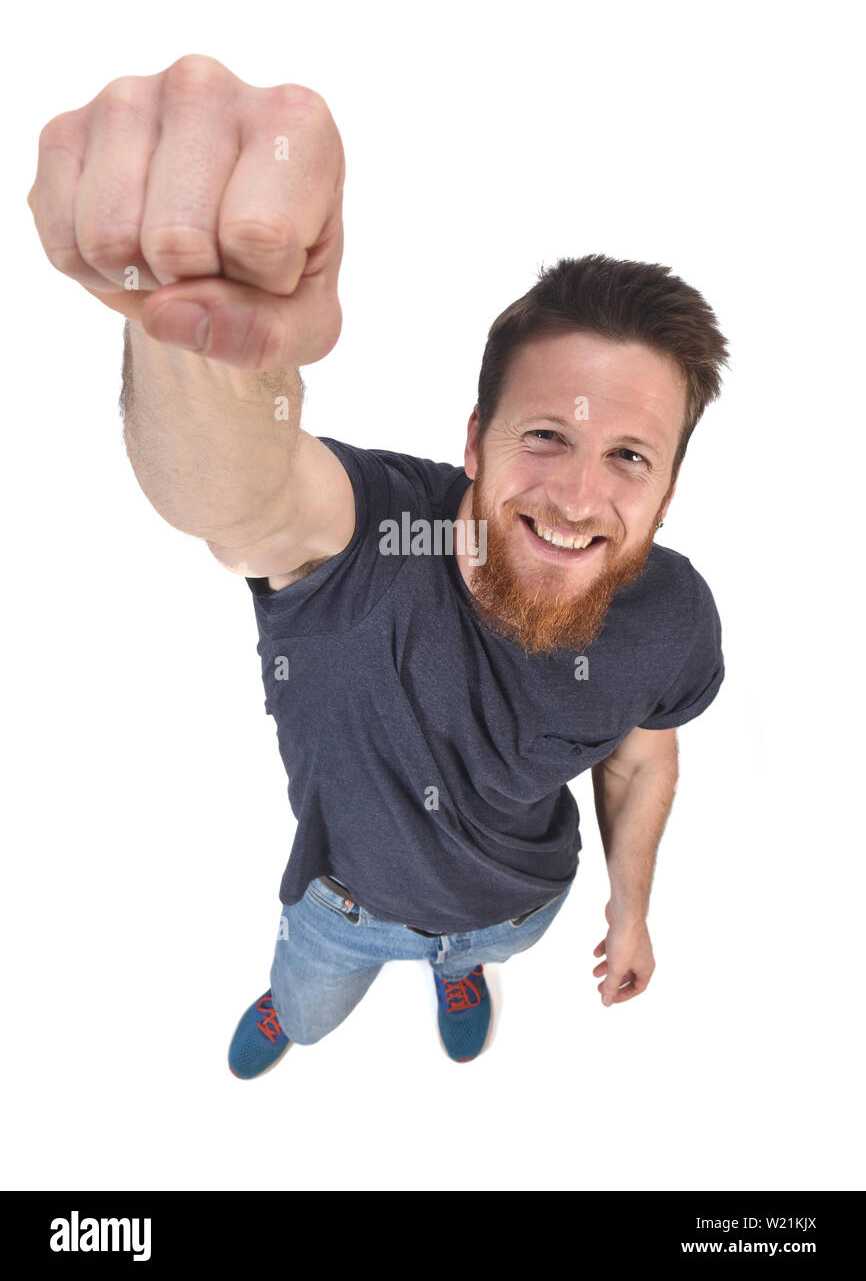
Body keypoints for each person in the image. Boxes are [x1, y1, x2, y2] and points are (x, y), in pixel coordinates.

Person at [27, 54, 727, 1074]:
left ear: (665, 491)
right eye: (543, 436)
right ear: (474, 439)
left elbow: (639, 755)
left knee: (481, 949)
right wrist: (210, 324)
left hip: (519, 909)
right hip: (338, 914)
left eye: (627, 456)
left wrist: (629, 911)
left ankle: (457, 969)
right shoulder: (373, 538)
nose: (578, 499)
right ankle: (287, 1002)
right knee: (307, 1015)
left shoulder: (675, 615)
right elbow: (246, 497)